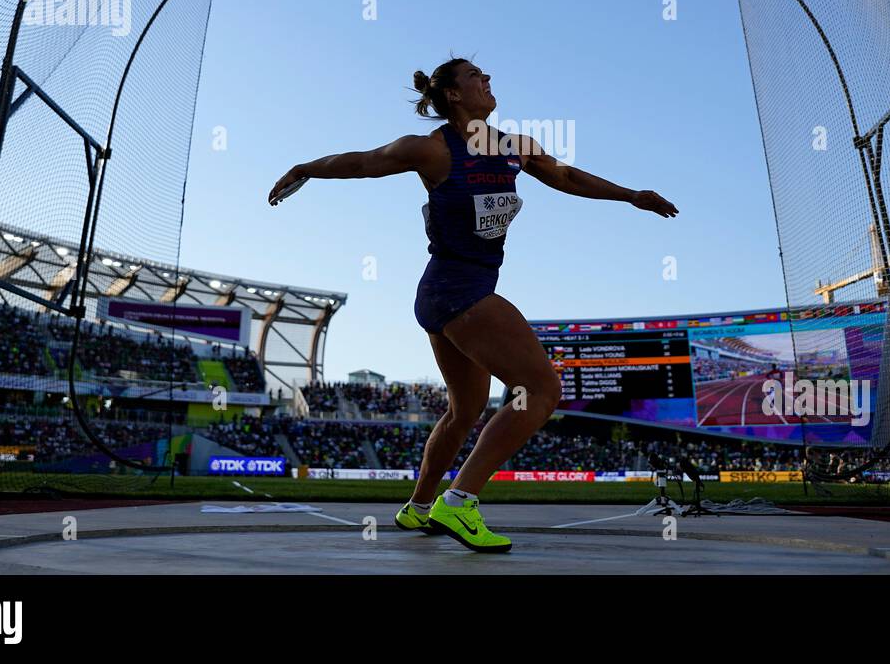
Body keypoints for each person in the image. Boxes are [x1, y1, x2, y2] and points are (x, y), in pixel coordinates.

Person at [268, 57, 678, 552]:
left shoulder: (514, 147)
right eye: (475, 76)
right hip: (457, 287)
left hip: (448, 293)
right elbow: (362, 162)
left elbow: (566, 177)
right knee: (542, 387)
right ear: (454, 95)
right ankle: (459, 502)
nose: (487, 79)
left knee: (465, 410)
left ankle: (418, 508)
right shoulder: (431, 149)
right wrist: (304, 169)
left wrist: (631, 195)